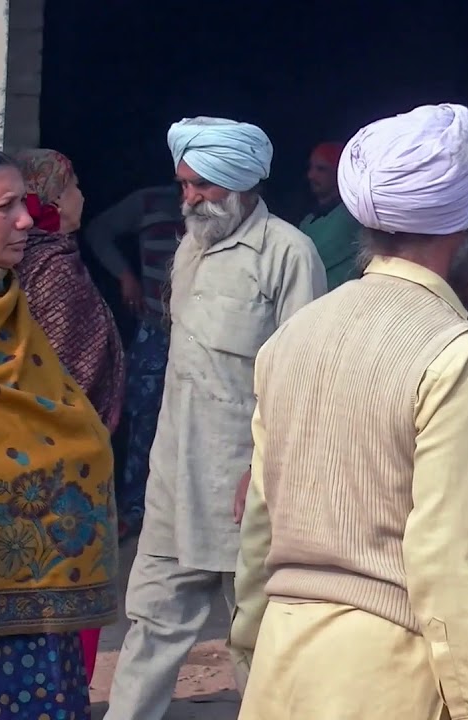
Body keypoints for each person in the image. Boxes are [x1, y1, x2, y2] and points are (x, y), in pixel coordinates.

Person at [231, 103, 468, 720]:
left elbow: (259, 523)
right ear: (460, 220)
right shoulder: (457, 353)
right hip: (388, 674)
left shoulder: (291, 339)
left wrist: (251, 644)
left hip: (282, 660)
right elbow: (449, 556)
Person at [104, 117, 327, 720]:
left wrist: (264, 468)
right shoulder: (188, 246)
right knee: (150, 624)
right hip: (173, 480)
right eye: (184, 185)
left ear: (241, 181)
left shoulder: (288, 253)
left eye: (202, 186)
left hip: (242, 485)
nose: (190, 199)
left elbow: (300, 377)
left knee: (255, 635)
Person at [0, 141, 118, 718]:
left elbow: (66, 428)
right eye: (4, 206)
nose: (24, 220)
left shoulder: (11, 311)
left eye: (26, 204)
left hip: (40, 623)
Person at [13, 147, 127, 685]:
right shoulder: (56, 270)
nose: (83, 195)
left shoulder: (21, 262)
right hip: (66, 464)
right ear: (54, 197)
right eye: (75, 184)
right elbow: (67, 374)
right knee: (72, 587)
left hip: (30, 457)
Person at [82, 182, 184, 539]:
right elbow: (99, 232)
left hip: (205, 334)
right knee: (140, 419)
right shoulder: (150, 202)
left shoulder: (228, 206)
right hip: (156, 328)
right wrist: (126, 276)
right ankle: (133, 508)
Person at [299, 141, 363, 289]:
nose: (311, 176)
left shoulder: (351, 216)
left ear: (338, 172)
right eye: (311, 168)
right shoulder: (309, 220)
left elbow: (307, 259)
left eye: (321, 169)